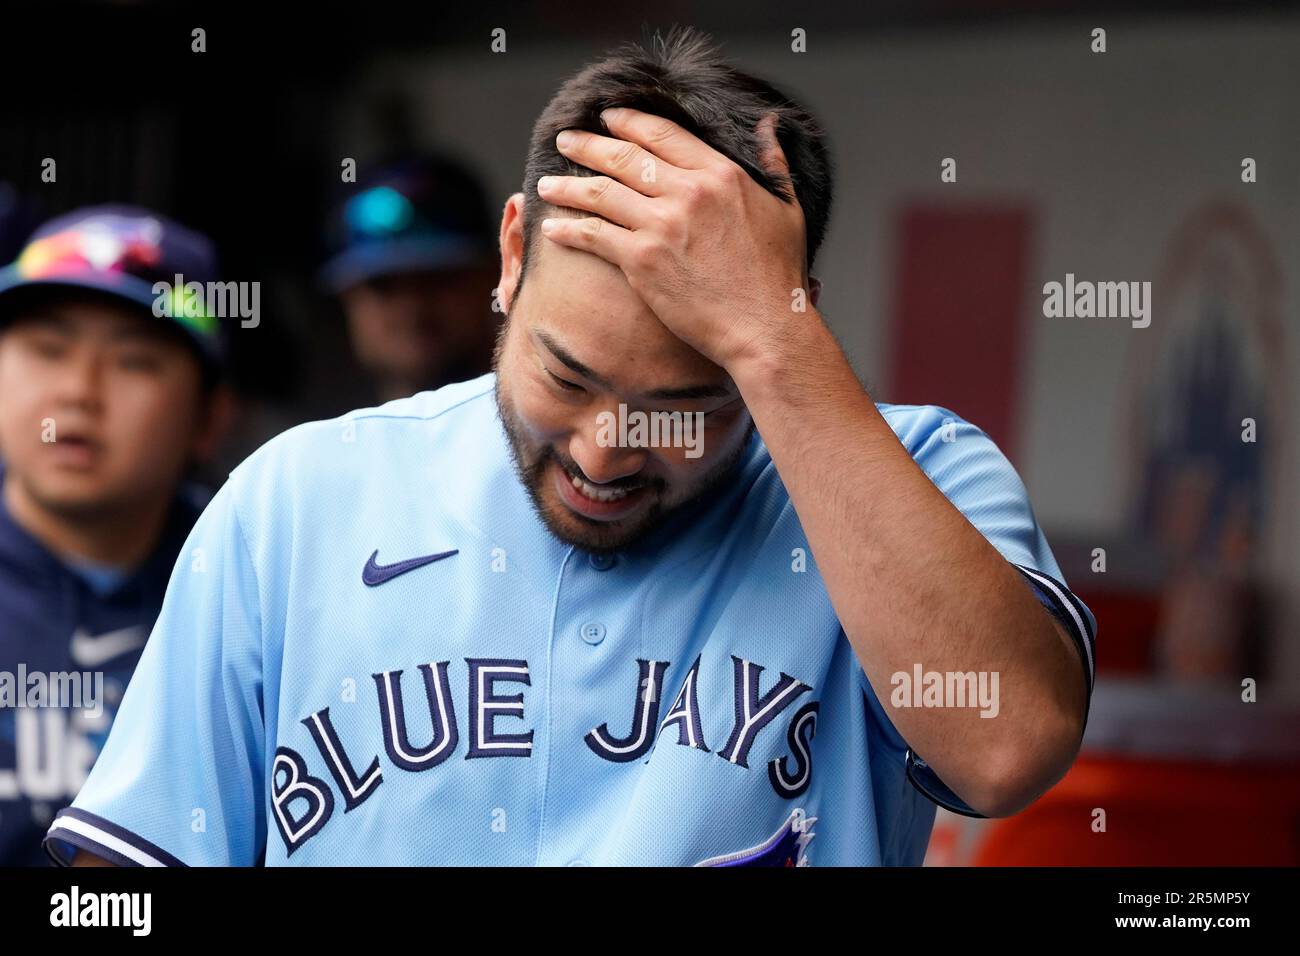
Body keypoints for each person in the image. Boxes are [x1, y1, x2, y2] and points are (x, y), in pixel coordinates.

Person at [49, 28, 1095, 867]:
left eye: (686, 403)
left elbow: (1005, 745)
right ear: (511, 254)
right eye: (566, 376)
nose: (604, 453)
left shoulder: (913, 471)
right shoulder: (298, 497)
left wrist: (774, 346)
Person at [0, 206, 230, 865]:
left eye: (133, 361)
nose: (79, 391)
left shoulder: (253, 593)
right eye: (47, 350)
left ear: (209, 416)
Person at [321, 155, 501, 403]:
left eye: (436, 278)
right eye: (383, 286)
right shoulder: (322, 440)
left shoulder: (559, 434)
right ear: (347, 300)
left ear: (497, 277)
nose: (411, 308)